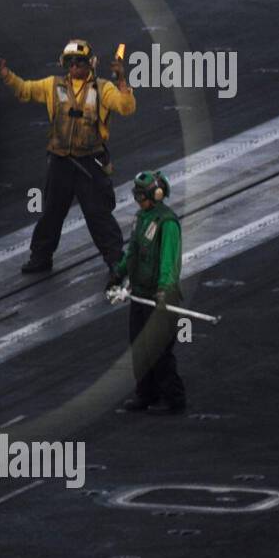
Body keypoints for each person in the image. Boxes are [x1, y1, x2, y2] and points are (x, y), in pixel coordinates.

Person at [0, 39, 136, 273]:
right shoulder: (52, 86)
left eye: (79, 61)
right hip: (60, 162)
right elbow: (24, 90)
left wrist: (122, 80)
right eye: (70, 62)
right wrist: (3, 71)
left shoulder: (103, 88)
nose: (74, 66)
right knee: (52, 213)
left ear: (90, 63)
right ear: (64, 64)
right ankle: (41, 257)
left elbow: (126, 107)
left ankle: (117, 261)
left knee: (98, 216)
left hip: (90, 163)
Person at [106, 170, 187, 413]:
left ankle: (173, 399)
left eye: (142, 195)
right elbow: (132, 252)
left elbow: (168, 261)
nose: (138, 200)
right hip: (140, 295)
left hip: (160, 297)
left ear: (157, 194)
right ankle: (146, 393)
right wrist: (118, 272)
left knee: (159, 350)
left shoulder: (167, 222)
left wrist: (164, 289)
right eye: (137, 195)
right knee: (140, 347)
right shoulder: (141, 218)